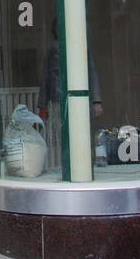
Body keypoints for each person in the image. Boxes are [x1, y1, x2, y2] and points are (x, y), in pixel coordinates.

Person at [40, 21, 103, 167]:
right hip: (58, 100)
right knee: (60, 136)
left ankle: (84, 165)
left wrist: (96, 101)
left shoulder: (81, 47)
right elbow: (45, 79)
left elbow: (91, 72)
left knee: (82, 134)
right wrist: (42, 106)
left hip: (80, 99)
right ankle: (65, 165)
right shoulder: (52, 51)